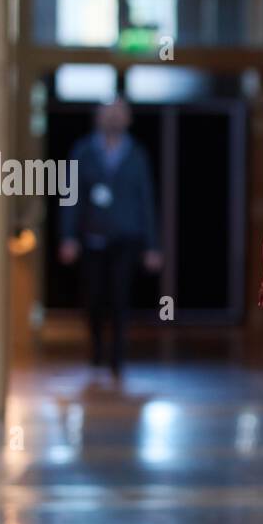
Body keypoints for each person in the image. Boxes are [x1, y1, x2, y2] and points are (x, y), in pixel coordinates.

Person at [58, 97, 163, 381]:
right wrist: (68, 236)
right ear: (98, 117)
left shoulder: (137, 154)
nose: (114, 118)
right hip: (92, 236)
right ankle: (96, 348)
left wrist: (152, 245)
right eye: (109, 113)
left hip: (126, 237)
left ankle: (117, 357)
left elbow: (146, 200)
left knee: (120, 296)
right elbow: (71, 196)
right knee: (94, 296)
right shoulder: (83, 151)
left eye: (120, 113)